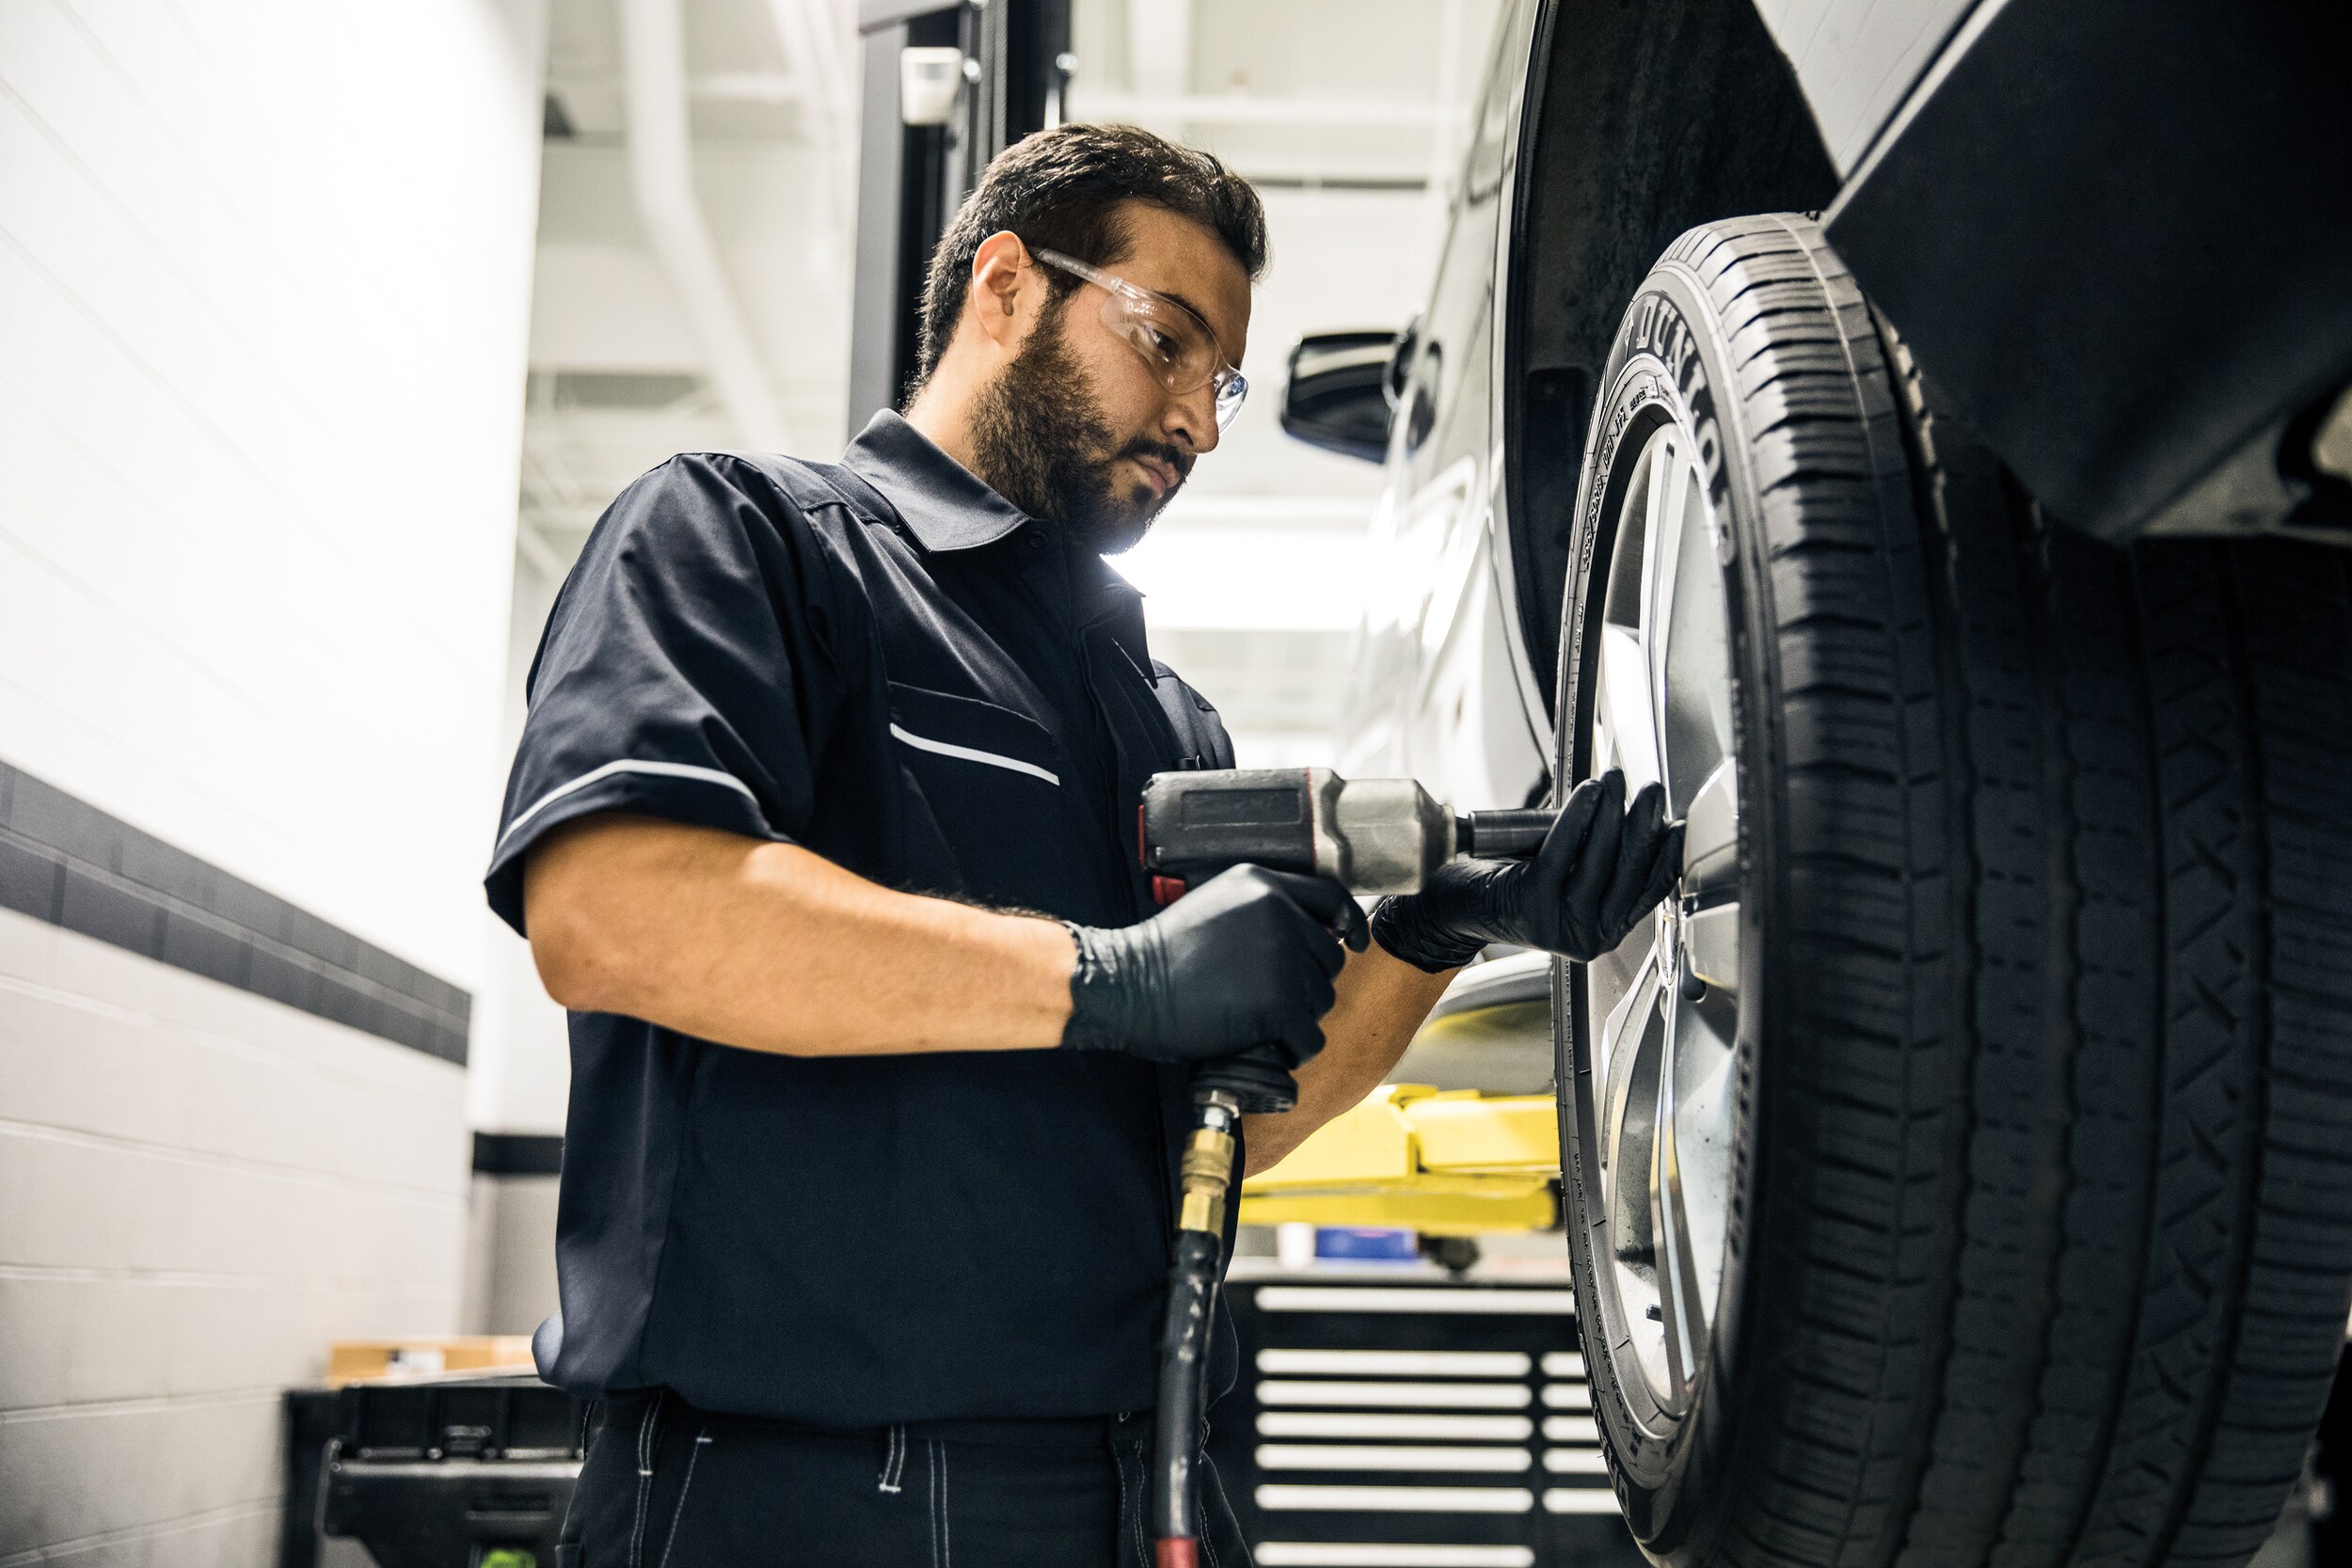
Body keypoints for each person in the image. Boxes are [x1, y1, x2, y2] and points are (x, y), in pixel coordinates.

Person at [486, 123, 1680, 1568]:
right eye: (1166, 341)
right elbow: (614, 912)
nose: (1203, 421)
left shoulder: (1168, 720)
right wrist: (1109, 976)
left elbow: (1218, 1128)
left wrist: (1436, 937)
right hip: (792, 1501)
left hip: (1139, 1488)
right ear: (1004, 286)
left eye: (1223, 378)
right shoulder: (748, 541)